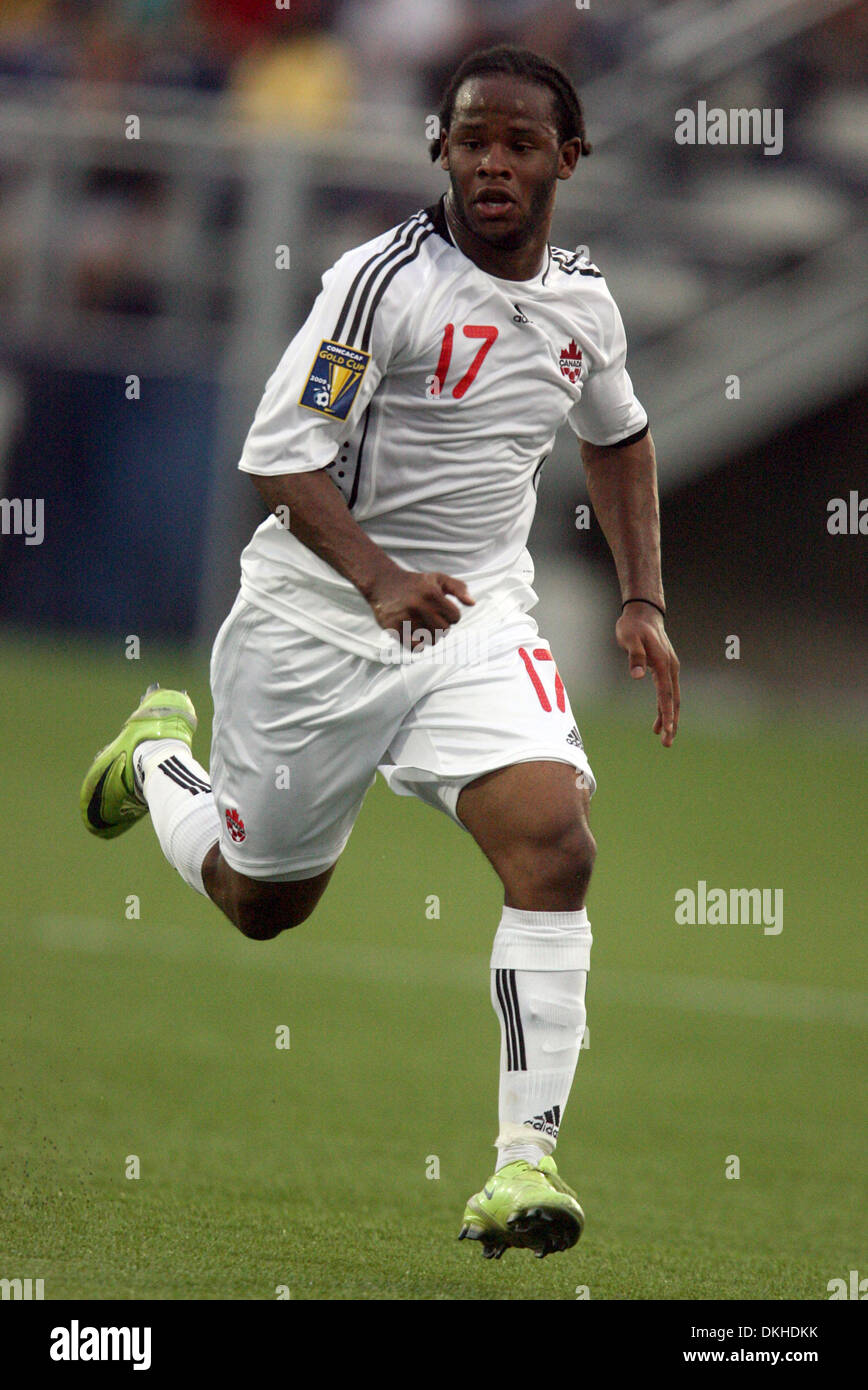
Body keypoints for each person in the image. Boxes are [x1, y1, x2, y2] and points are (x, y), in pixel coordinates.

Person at [80, 44, 680, 1261]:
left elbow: (618, 435)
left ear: (567, 159)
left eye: (519, 143)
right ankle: (158, 763)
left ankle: (524, 1168)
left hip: (475, 618)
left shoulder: (583, 302)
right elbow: (278, 458)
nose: (493, 163)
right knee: (262, 906)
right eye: (471, 140)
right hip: (317, 618)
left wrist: (642, 599)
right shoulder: (378, 285)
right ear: (439, 152)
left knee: (555, 845)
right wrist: (379, 577)